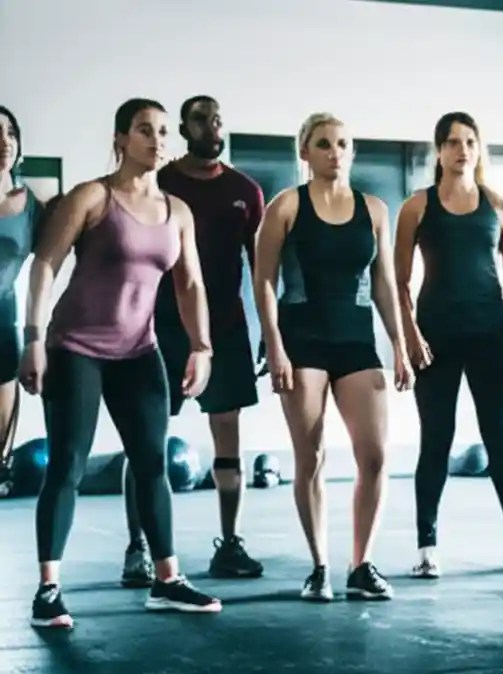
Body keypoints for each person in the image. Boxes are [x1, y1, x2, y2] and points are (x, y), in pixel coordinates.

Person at [21, 98, 222, 629]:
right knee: (66, 466)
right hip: (75, 349)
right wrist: (33, 339)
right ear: (120, 138)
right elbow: (45, 265)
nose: (157, 140)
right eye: (144, 130)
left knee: (153, 464)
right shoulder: (92, 196)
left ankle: (167, 579)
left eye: (162, 132)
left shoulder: (177, 212)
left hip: (140, 352)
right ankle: (47, 590)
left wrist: (202, 347)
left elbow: (191, 283)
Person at [253, 112, 413, 603]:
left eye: (342, 143)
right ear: (306, 152)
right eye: (323, 143)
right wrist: (275, 345)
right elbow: (263, 281)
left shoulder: (376, 210)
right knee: (311, 456)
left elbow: (385, 285)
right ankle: (319, 565)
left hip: (355, 340)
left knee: (376, 455)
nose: (334, 151)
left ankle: (359, 564)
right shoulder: (286, 206)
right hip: (302, 340)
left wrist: (400, 347)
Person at [118, 95, 267, 589]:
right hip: (158, 326)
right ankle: (138, 548)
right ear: (184, 127)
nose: (211, 125)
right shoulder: (162, 183)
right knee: (146, 441)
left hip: (224, 329)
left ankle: (230, 542)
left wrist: (269, 331)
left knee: (229, 436)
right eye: (200, 118)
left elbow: (263, 270)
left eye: (217, 117)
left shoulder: (246, 190)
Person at [394, 111, 503, 579]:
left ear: (479, 148)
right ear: (439, 150)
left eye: (469, 141)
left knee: (500, 441)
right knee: (436, 441)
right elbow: (397, 282)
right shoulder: (417, 207)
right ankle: (426, 547)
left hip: (489, 336)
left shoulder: (497, 205)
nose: (461, 149)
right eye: (452, 142)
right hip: (434, 340)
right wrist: (409, 336)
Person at [0, 106, 41, 500]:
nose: (4, 142)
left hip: (3, 323)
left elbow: (50, 262)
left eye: (10, 132)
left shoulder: (30, 205)